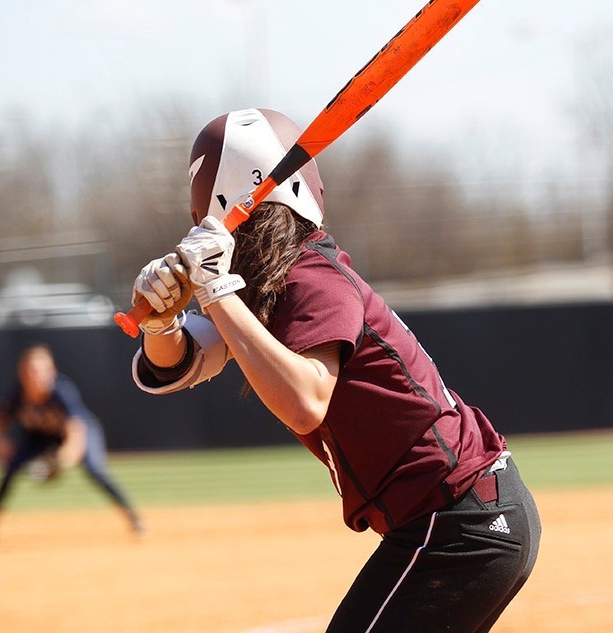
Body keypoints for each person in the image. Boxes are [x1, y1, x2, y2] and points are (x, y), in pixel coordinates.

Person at [129, 108, 541, 632]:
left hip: (461, 520)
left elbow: (306, 401)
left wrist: (215, 290)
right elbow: (181, 363)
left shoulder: (311, 276)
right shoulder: (268, 290)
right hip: (460, 518)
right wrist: (161, 324)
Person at [0, 342, 143, 542]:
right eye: (30, 370)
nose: (35, 376)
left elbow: (75, 432)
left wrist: (61, 460)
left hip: (81, 433)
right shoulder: (15, 394)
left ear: (52, 371)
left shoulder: (62, 392)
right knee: (10, 469)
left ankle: (133, 517)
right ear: (21, 373)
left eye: (40, 370)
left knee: (95, 471)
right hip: (38, 437)